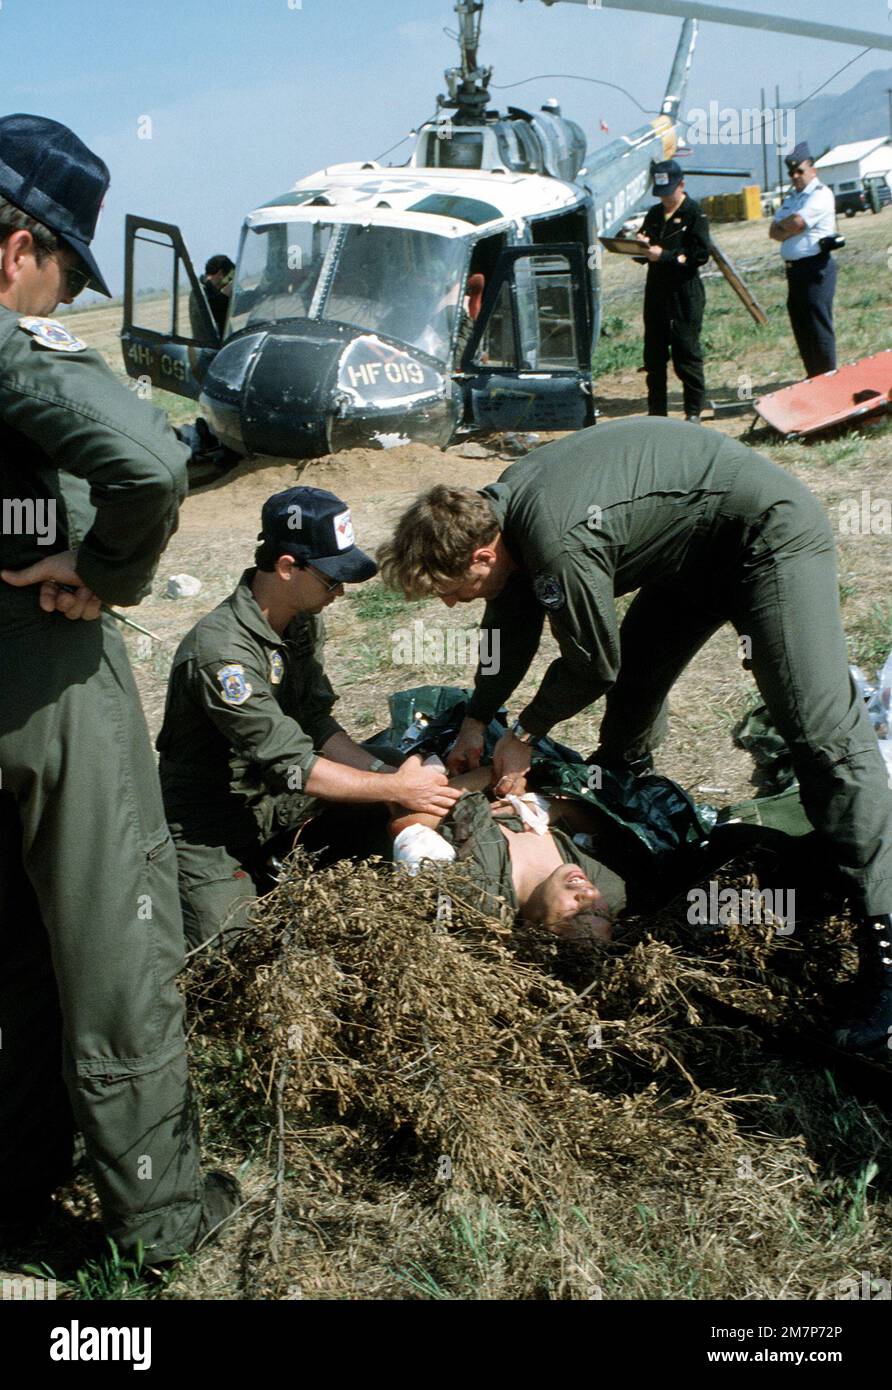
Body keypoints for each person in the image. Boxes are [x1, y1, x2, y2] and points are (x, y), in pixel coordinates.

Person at [378, 418, 892, 1055]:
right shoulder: (501, 520)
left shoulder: (555, 539)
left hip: (765, 536)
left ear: (482, 555)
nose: (453, 606)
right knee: (634, 698)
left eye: (453, 592)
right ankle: (632, 804)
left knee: (824, 739)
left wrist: (528, 733)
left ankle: (884, 948)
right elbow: (508, 628)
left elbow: (594, 660)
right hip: (694, 553)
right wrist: (482, 719)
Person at [0, 113, 237, 1257]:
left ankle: (14, 1186)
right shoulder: (7, 339)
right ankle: (161, 1220)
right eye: (58, 273)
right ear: (17, 250)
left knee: (14, 951)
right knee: (113, 944)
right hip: (42, 681)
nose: (53, 299)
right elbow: (149, 461)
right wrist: (105, 569)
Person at [156, 486, 460, 949]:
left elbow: (315, 721)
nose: (339, 592)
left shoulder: (298, 617)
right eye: (331, 580)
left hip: (275, 802)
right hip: (210, 827)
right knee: (231, 959)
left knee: (383, 768)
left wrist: (386, 776)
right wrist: (395, 787)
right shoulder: (222, 657)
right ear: (285, 567)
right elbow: (292, 763)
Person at [389, 765, 625, 941]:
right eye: (601, 914)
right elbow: (602, 823)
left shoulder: (478, 893)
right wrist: (546, 807)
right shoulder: (608, 889)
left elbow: (407, 822)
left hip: (423, 774)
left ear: (533, 928)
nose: (588, 895)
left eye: (575, 913)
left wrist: (494, 774)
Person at [635, 158, 710, 422]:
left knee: (686, 354)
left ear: (682, 185)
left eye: (669, 193)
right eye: (661, 194)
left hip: (683, 294)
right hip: (656, 293)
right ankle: (657, 414)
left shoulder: (694, 213)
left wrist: (664, 255)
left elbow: (699, 255)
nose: (665, 199)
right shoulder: (654, 214)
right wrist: (639, 246)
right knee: (654, 357)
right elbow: (644, 253)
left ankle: (693, 412)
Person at [770, 141, 838, 379]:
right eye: (792, 172)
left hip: (815, 268)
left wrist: (787, 226)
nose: (795, 176)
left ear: (813, 170)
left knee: (818, 325)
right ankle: (813, 376)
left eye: (800, 171)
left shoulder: (820, 195)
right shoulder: (792, 198)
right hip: (795, 271)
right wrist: (788, 227)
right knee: (801, 325)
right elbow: (773, 231)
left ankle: (827, 376)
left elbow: (796, 223)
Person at [191, 253, 234, 337]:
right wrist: (224, 296)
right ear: (221, 273)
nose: (229, 281)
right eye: (229, 278)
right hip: (212, 347)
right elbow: (212, 313)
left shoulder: (206, 289)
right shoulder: (200, 292)